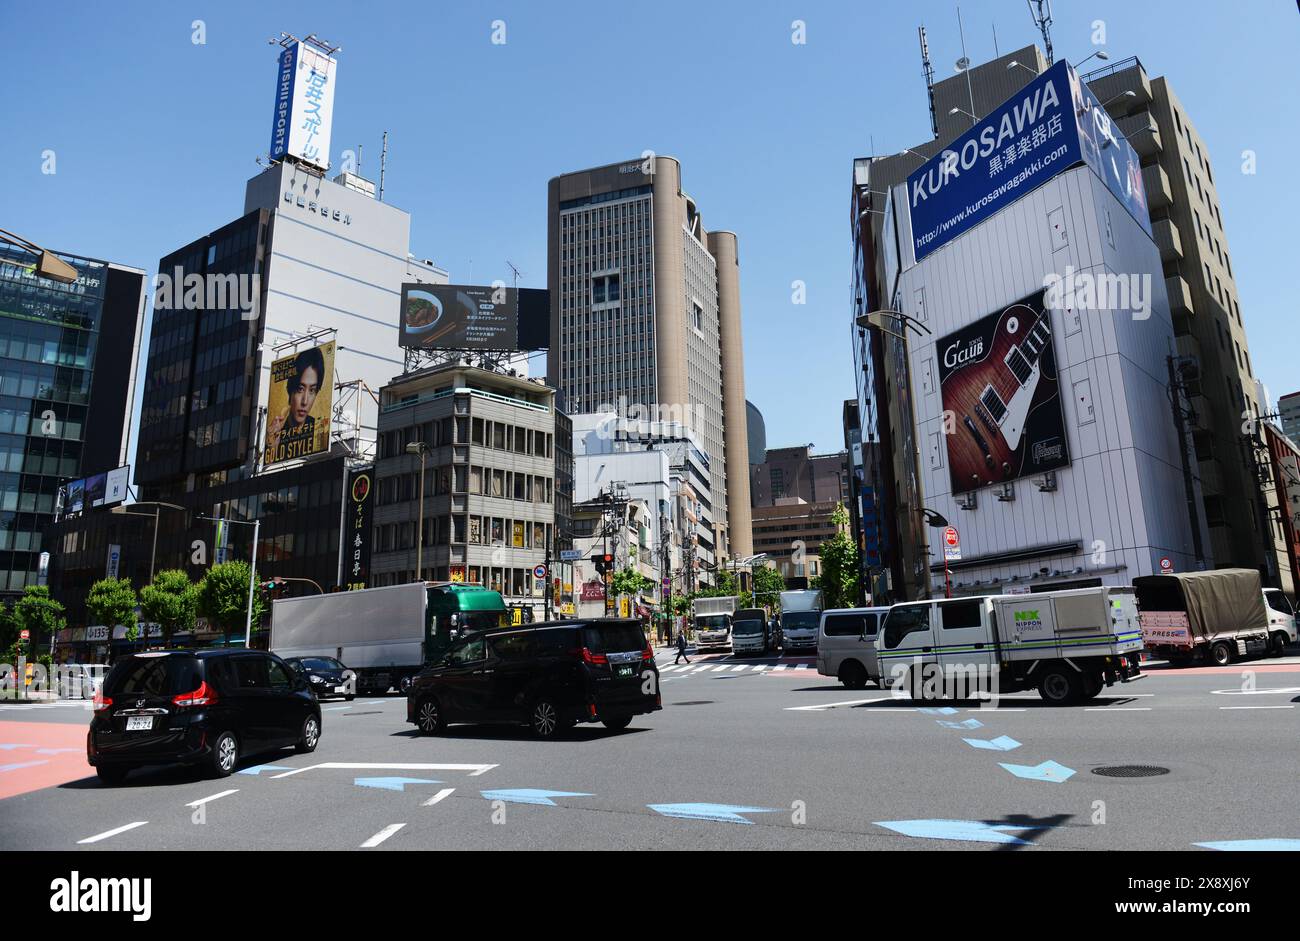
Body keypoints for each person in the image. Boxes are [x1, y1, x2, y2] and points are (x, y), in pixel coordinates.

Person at [265, 346, 328, 463]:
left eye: (312, 390)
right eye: (300, 389)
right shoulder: (277, 433)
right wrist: (272, 447)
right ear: (290, 390)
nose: (305, 401)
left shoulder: (320, 431)